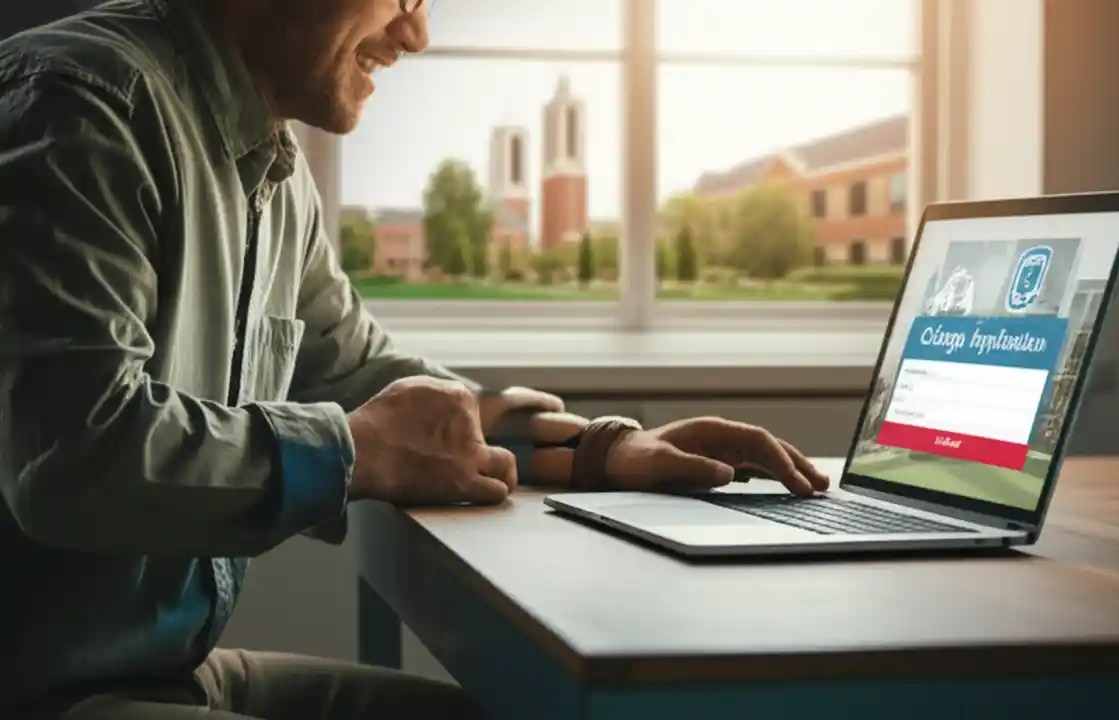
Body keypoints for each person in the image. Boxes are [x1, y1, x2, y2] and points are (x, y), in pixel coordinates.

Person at [0, 1, 830, 717]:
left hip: (157, 675)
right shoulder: (82, 104)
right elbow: (70, 455)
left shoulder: (274, 178)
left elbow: (368, 374)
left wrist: (602, 448)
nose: (418, 33)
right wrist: (354, 452)